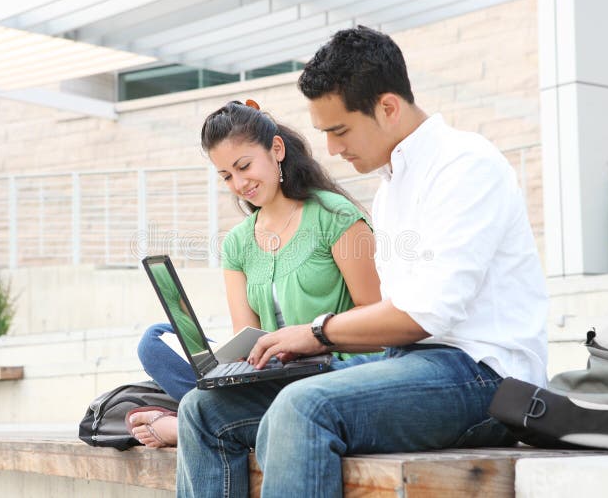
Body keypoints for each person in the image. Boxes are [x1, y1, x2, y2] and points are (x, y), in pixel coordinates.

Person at [175, 26, 549, 497]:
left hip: (484, 379)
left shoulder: (466, 164)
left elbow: (426, 313)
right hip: (411, 365)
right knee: (202, 411)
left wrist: (315, 333)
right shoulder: (393, 185)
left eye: (339, 130)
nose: (331, 148)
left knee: (301, 407)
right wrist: (308, 350)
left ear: (388, 107)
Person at [128, 99, 381, 448]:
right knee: (155, 340)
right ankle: (223, 414)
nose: (239, 183)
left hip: (336, 367)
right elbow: (245, 337)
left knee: (219, 405)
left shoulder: (334, 217)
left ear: (276, 150)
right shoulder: (238, 243)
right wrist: (242, 363)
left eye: (244, 166)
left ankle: (190, 423)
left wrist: (310, 337)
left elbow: (378, 322)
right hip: (273, 372)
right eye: (227, 176)